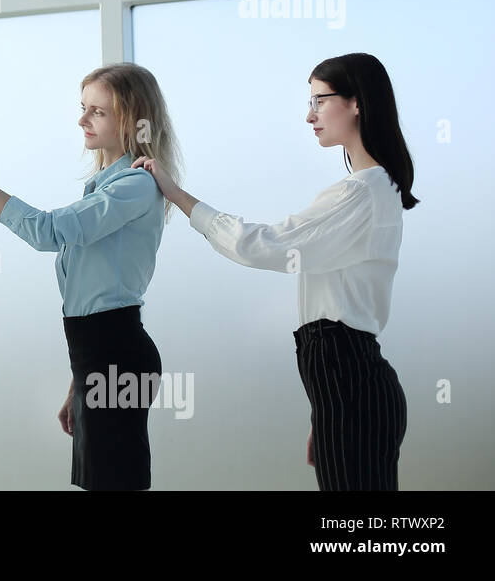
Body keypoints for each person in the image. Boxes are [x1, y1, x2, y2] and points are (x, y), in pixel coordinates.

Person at [135, 52, 414, 491]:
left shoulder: (361, 193)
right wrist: (326, 410)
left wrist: (176, 194)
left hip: (352, 384)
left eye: (320, 101)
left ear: (356, 103)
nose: (309, 116)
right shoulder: (376, 189)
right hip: (349, 387)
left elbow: (260, 245)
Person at [0, 62, 179, 491]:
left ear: (134, 119)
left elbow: (47, 232)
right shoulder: (105, 185)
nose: (82, 120)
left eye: (97, 111)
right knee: (105, 480)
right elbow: (91, 302)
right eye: (83, 108)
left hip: (114, 354)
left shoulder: (133, 186)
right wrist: (77, 382)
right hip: (98, 356)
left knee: (116, 482)